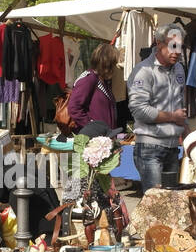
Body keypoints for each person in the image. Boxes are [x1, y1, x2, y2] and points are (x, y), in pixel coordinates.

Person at [128, 21, 187, 190]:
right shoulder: (143, 71)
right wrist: (172, 117)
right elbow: (139, 110)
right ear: (159, 44)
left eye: (179, 46)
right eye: (172, 45)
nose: (176, 51)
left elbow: (180, 108)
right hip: (149, 148)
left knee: (172, 204)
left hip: (173, 147)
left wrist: (188, 137)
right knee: (156, 206)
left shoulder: (179, 69)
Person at [66, 42, 119, 132]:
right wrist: (92, 126)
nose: (114, 67)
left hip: (104, 138)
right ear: (106, 63)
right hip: (92, 139)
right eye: (113, 63)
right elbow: (74, 108)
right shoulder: (89, 79)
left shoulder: (103, 81)